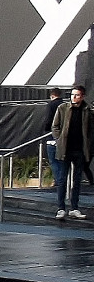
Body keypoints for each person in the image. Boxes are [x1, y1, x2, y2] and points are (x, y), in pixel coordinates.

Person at [51, 85, 93, 220]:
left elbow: (91, 130)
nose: (74, 97)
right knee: (62, 179)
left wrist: (88, 145)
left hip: (80, 149)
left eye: (77, 95)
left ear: (83, 96)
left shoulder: (87, 110)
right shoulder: (62, 108)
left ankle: (74, 207)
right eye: (72, 95)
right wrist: (59, 139)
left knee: (77, 180)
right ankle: (61, 208)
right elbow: (55, 126)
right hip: (65, 149)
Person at [43, 88, 64, 189]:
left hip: (52, 135)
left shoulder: (51, 105)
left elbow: (48, 120)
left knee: (53, 160)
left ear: (52, 96)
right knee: (62, 160)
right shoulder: (65, 105)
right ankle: (63, 180)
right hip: (63, 135)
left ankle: (58, 181)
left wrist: (46, 129)